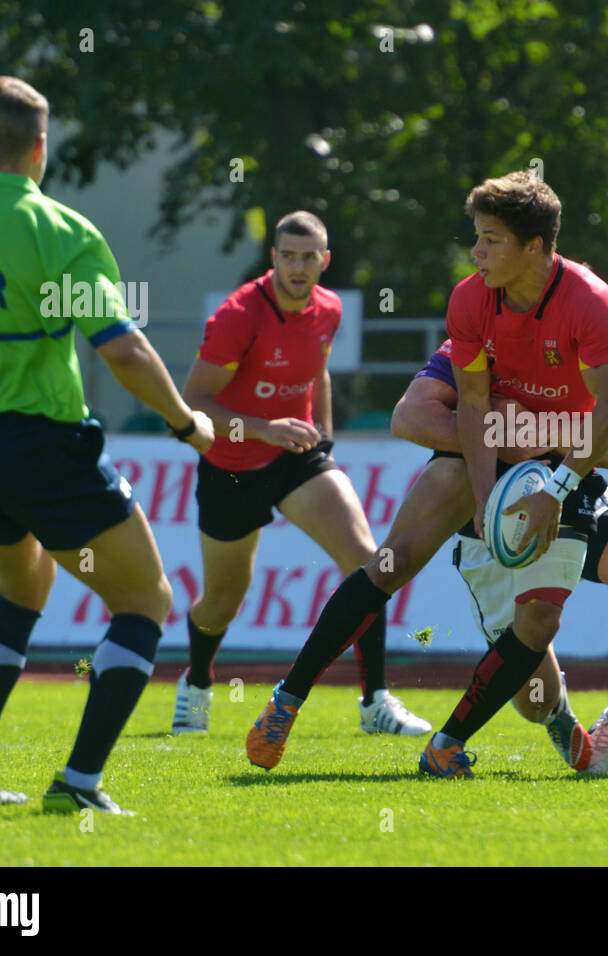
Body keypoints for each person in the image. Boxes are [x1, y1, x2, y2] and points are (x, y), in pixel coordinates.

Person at [246, 170, 608, 780]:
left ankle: (596, 728)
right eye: (475, 238)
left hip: (565, 476)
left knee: (549, 658)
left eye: (489, 240)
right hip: (484, 467)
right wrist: (486, 502)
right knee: (391, 560)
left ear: (535, 246)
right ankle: (284, 702)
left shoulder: (589, 301)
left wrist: (551, 471)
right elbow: (469, 410)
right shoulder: (472, 299)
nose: (476, 253)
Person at [0, 76, 215, 814]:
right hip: (41, 444)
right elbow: (123, 351)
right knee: (144, 599)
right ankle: (78, 782)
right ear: (41, 148)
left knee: (22, 587)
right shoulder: (60, 231)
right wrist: (185, 421)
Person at [171, 211, 428, 738]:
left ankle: (375, 702)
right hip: (232, 465)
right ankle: (196, 683)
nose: (297, 265)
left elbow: (318, 371)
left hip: (296, 455)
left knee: (369, 561)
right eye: (288, 254)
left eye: (308, 256)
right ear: (273, 258)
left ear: (324, 261)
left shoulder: (329, 308)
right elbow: (193, 401)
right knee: (223, 602)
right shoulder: (237, 315)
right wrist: (263, 429)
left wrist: (325, 438)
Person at [395, 341, 608, 776]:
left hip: (574, 493)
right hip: (494, 519)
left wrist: (527, 429)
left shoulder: (588, 334)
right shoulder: (473, 333)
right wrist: (496, 438)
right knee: (534, 699)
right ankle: (557, 713)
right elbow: (408, 417)